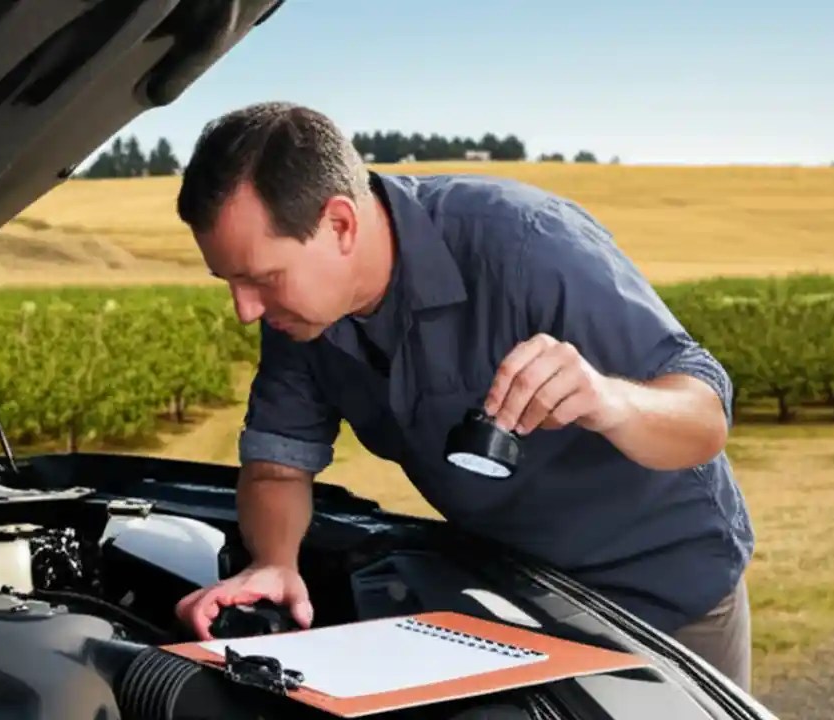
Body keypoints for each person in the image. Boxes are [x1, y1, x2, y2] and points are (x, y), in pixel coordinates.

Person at [170, 101, 755, 691]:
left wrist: (611, 400)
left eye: (263, 278)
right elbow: (276, 468)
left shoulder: (527, 244)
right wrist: (275, 561)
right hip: (517, 597)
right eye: (231, 283)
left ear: (340, 224)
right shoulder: (299, 318)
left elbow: (703, 417)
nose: (246, 312)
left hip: (666, 595)